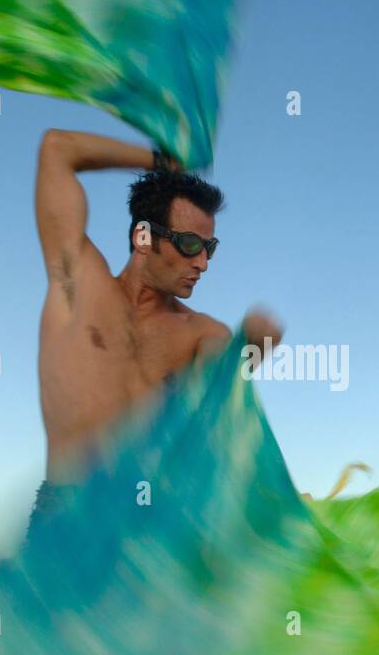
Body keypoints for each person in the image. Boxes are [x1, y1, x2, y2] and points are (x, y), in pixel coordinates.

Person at [32, 129, 281, 494]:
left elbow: (212, 421)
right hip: (67, 522)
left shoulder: (202, 334)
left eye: (208, 248)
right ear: (143, 238)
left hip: (152, 529)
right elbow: (57, 149)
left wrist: (251, 350)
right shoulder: (78, 284)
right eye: (189, 244)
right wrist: (164, 163)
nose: (202, 263)